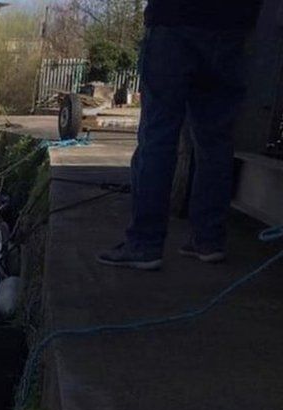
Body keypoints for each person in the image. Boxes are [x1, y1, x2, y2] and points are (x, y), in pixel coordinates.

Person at [97, 0, 263, 270]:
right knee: (216, 139)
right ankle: (209, 239)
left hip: (174, 22)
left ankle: (145, 243)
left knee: (158, 136)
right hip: (234, 27)